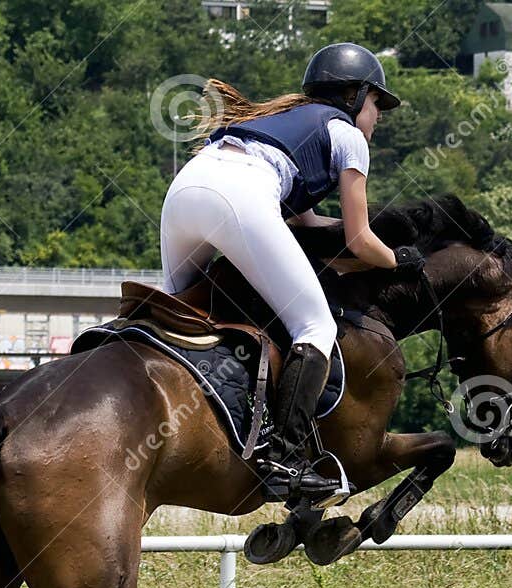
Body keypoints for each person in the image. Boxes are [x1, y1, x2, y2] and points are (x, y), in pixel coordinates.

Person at [160, 43, 425, 505]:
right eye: (377, 103)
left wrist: (372, 240)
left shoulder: (283, 126)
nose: (378, 116)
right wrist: (399, 261)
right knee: (316, 326)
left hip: (185, 192)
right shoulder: (347, 135)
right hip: (239, 198)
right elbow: (359, 241)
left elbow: (310, 224)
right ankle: (285, 461)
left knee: (176, 316)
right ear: (354, 95)